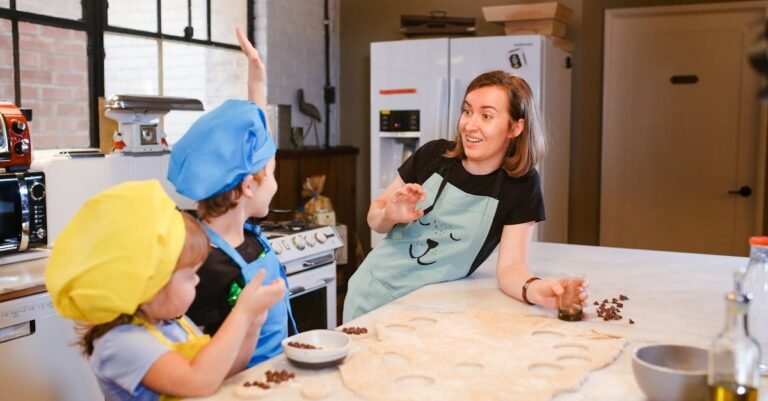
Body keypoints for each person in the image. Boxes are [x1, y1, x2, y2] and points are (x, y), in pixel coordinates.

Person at [343, 70, 588, 322]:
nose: (470, 125)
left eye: (487, 116)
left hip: (432, 308)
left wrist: (537, 290)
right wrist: (389, 215)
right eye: (467, 111)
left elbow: (511, 268)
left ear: (515, 127)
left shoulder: (521, 185)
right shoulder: (433, 155)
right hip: (373, 296)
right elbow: (374, 217)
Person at [45, 180, 285, 401]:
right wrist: (241, 314)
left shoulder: (169, 324)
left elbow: (224, 373)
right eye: (190, 276)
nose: (197, 283)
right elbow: (197, 382)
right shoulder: (121, 344)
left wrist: (252, 324)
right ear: (151, 285)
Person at [166, 27, 293, 367]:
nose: (275, 182)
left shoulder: (246, 233)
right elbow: (205, 363)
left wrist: (258, 82)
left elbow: (256, 141)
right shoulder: (202, 264)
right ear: (247, 187)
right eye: (270, 176)